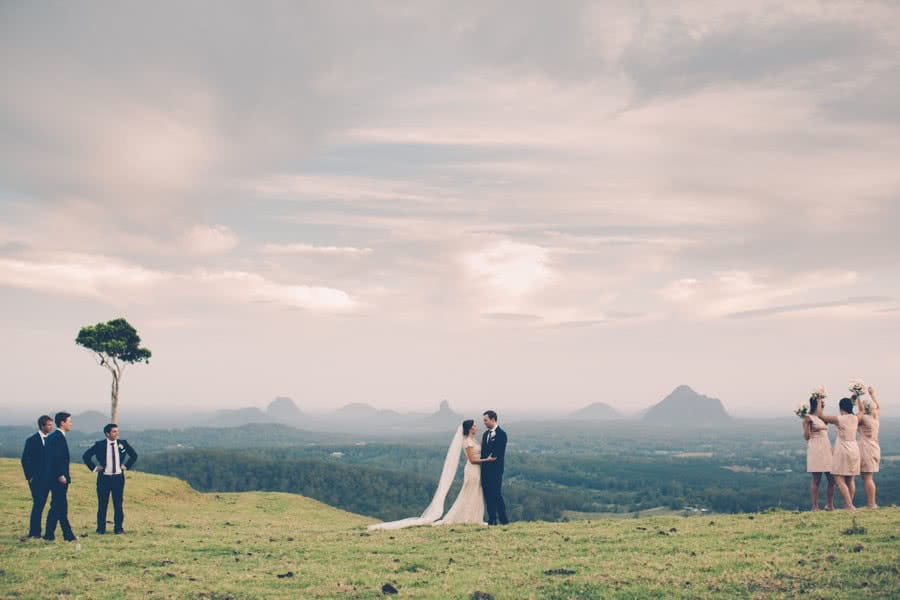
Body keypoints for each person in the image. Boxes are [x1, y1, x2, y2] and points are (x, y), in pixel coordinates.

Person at [434, 419, 495, 525]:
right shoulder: (467, 442)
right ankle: (465, 518)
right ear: (470, 428)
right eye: (475, 426)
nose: (476, 427)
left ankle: (475, 518)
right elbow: (472, 460)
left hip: (478, 470)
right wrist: (487, 460)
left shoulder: (473, 440)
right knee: (469, 492)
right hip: (472, 470)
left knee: (477, 493)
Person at [82, 423, 138, 534]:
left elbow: (134, 455)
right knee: (102, 504)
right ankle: (100, 529)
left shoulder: (123, 443)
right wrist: (94, 467)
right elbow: (86, 456)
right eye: (114, 432)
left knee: (118, 504)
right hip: (104, 479)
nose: (117, 433)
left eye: (117, 431)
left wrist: (126, 466)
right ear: (107, 434)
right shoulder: (99, 445)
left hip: (118, 478)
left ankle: (118, 528)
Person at [822, 398, 860, 511]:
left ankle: (849, 505)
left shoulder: (840, 419)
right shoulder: (856, 418)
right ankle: (848, 505)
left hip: (843, 449)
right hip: (854, 448)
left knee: (839, 478)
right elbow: (862, 410)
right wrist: (858, 396)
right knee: (851, 479)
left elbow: (821, 416)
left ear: (840, 407)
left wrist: (819, 399)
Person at [43, 411, 76, 541]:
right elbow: (55, 459)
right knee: (58, 505)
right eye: (69, 421)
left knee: (59, 506)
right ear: (62, 423)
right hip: (58, 479)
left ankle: (64, 534)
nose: (71, 424)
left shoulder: (54, 437)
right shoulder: (57, 438)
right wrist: (60, 475)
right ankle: (54, 534)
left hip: (56, 478)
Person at [21, 415, 54, 538]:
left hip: (50, 478)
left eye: (52, 424)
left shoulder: (52, 439)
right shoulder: (32, 440)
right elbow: (25, 459)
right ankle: (35, 532)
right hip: (37, 479)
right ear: (42, 426)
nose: (51, 427)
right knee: (38, 504)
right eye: (49, 425)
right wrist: (30, 477)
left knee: (51, 504)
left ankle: (49, 531)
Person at [802, 396, 834, 511]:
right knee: (816, 479)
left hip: (826, 447)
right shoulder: (808, 418)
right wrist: (807, 425)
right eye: (821, 403)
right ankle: (815, 506)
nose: (823, 405)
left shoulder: (823, 418)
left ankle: (830, 504)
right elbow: (806, 437)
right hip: (815, 449)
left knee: (832, 479)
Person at [480, 410, 509, 526]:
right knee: (487, 495)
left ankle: (504, 519)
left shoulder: (502, 434)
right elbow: (483, 453)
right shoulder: (485, 434)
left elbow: (498, 453)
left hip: (496, 471)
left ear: (493, 419)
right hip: (485, 470)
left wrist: (489, 458)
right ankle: (492, 519)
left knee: (496, 494)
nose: (484, 423)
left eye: (486, 420)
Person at [858, 386, 881, 509]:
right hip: (875, 446)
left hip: (866, 447)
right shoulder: (875, 417)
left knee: (867, 477)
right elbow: (878, 407)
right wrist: (872, 395)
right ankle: (871, 503)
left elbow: (855, 417)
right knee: (867, 476)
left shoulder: (864, 419)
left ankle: (871, 504)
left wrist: (857, 396)